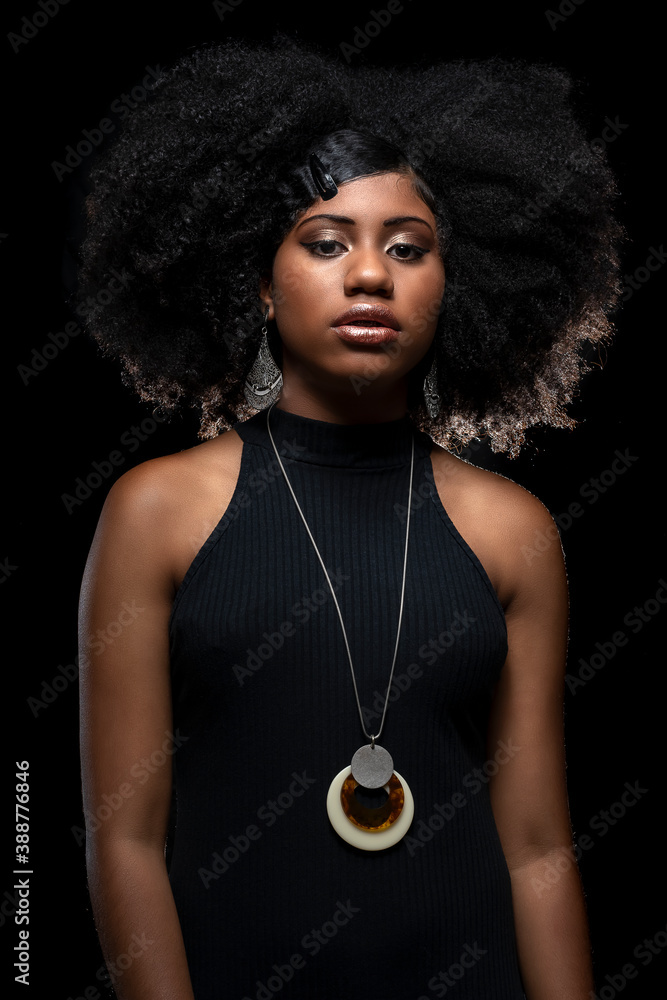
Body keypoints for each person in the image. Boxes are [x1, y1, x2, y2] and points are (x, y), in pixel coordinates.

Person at [76, 34, 623, 1000]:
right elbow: (123, 836)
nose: (369, 275)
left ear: (456, 285)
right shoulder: (158, 511)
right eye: (325, 242)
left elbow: (536, 848)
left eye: (408, 249)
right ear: (256, 278)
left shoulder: (511, 531)